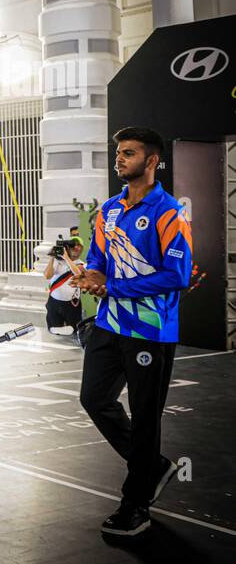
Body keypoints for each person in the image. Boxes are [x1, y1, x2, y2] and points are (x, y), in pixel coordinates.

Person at [72, 127, 192, 537]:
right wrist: (89, 276)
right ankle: (152, 465)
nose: (120, 158)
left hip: (150, 331)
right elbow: (98, 259)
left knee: (145, 418)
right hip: (108, 324)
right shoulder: (108, 210)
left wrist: (113, 287)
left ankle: (136, 503)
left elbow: (176, 275)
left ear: (152, 160)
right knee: (94, 399)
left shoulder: (169, 211)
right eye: (118, 152)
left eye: (129, 153)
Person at [43, 236, 84, 334]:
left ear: (82, 249)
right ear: (67, 247)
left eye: (79, 245)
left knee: (74, 331)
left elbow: (78, 273)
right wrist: (53, 257)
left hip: (71, 304)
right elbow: (47, 276)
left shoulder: (81, 264)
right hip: (54, 303)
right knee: (54, 331)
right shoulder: (57, 261)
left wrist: (66, 257)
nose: (76, 248)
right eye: (73, 245)